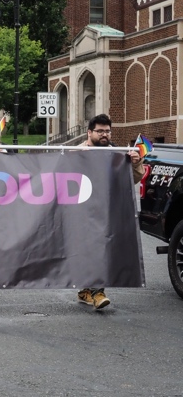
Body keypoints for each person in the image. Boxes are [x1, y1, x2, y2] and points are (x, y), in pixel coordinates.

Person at [76, 114, 144, 310]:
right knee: (87, 251)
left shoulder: (119, 153)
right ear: (89, 132)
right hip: (83, 211)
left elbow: (133, 180)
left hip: (108, 211)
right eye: (100, 131)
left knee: (102, 249)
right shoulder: (75, 152)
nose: (104, 135)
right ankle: (86, 290)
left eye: (107, 131)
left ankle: (97, 293)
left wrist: (136, 163)